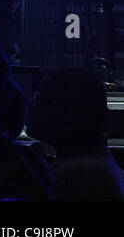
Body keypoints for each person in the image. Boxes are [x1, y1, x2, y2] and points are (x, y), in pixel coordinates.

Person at [27, 67, 124, 200]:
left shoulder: (76, 174)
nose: (31, 104)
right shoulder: (94, 164)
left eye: (40, 98)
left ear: (70, 112)